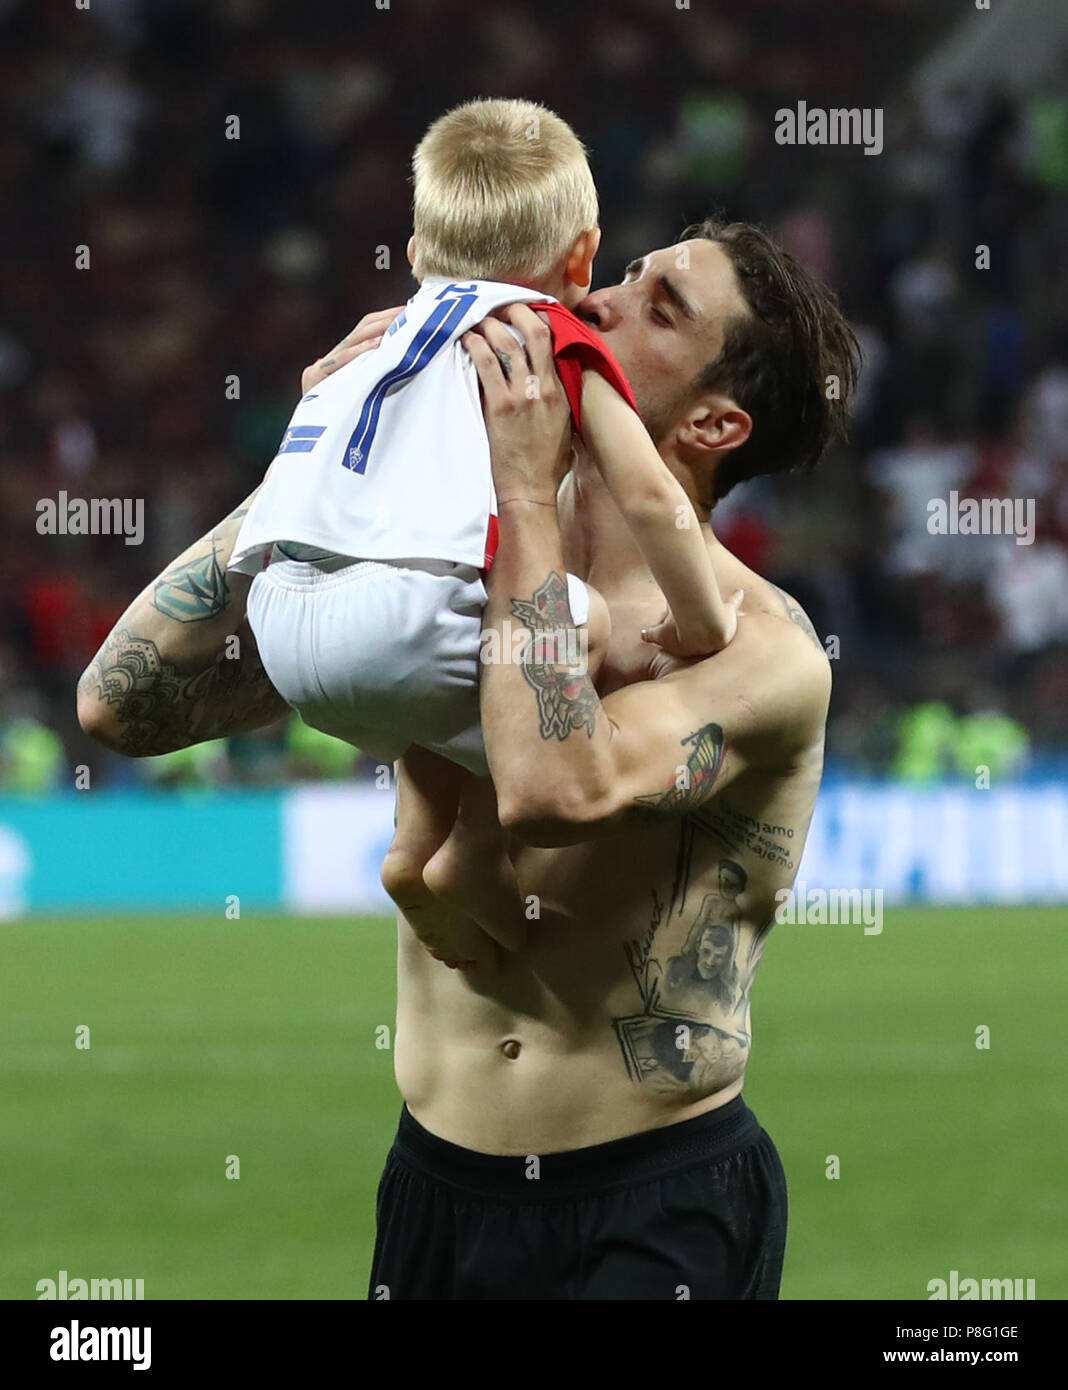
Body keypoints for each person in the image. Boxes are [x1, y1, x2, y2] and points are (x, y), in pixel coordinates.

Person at [78, 219, 859, 1299]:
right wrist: (333, 450)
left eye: (661, 308)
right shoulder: (428, 560)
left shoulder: (754, 649)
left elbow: (554, 785)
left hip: (654, 1204)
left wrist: (528, 495)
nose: (602, 301)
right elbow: (123, 701)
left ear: (717, 421)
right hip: (436, 1189)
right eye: (627, 274)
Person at [228, 98, 741, 957]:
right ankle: (471, 854)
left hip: (283, 627)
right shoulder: (548, 336)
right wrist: (701, 622)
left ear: (420, 253)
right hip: (399, 626)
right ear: (582, 255)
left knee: (455, 655)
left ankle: (409, 855)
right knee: (571, 619)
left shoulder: (374, 344)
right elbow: (653, 499)